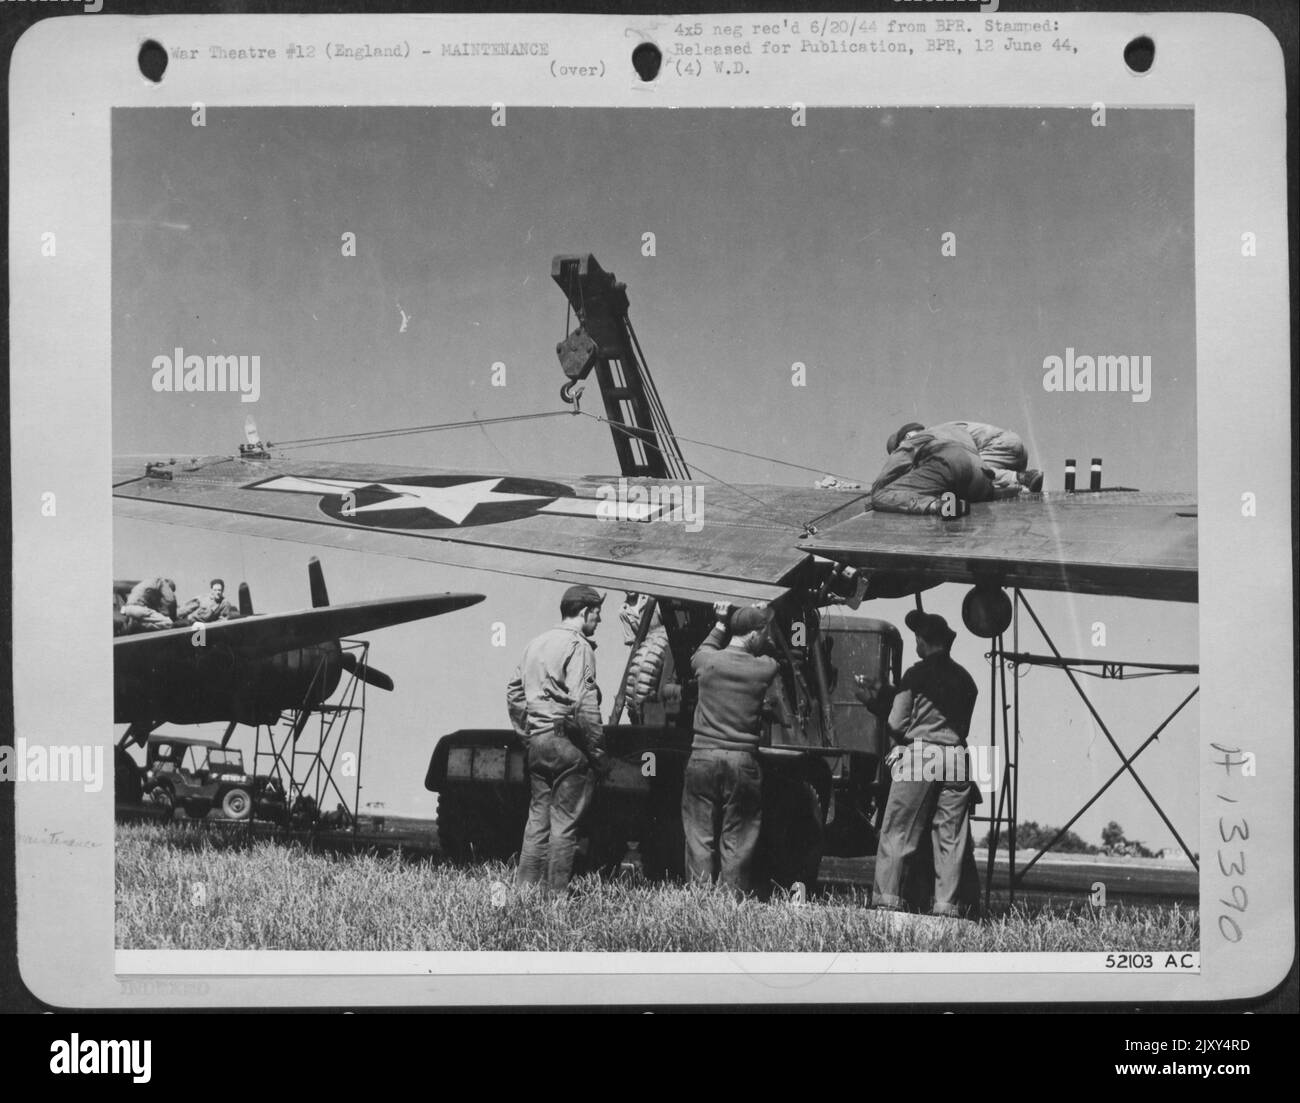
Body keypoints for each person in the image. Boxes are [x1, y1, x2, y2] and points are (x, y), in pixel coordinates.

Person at [871, 610, 981, 918]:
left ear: (922, 641)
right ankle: (946, 907)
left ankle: (887, 902)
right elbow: (964, 726)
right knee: (951, 838)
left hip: (921, 756)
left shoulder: (915, 675)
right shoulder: (967, 679)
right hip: (957, 758)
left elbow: (896, 722)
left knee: (897, 831)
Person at [506, 584, 609, 895]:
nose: (599, 620)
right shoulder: (580, 646)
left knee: (537, 822)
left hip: (538, 741)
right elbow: (584, 703)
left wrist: (529, 735)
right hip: (568, 743)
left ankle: (524, 893)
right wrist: (598, 754)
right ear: (585, 612)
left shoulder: (535, 643)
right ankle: (556, 899)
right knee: (564, 825)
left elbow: (514, 694)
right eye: (597, 613)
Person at [681, 602, 782, 895]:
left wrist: (721, 621)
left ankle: (699, 899)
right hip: (742, 761)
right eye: (764, 631)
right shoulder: (764, 668)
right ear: (756, 633)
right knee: (738, 837)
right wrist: (762, 615)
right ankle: (731, 901)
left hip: (702, 757)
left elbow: (702, 649)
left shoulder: (707, 662)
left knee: (699, 835)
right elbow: (774, 652)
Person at [177, 578, 241, 625]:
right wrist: (175, 616)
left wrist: (207, 625)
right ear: (211, 590)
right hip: (188, 622)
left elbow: (222, 620)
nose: (217, 592)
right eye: (215, 590)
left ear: (223, 590)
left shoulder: (225, 603)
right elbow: (186, 609)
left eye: (219, 590)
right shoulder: (203, 598)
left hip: (203, 627)